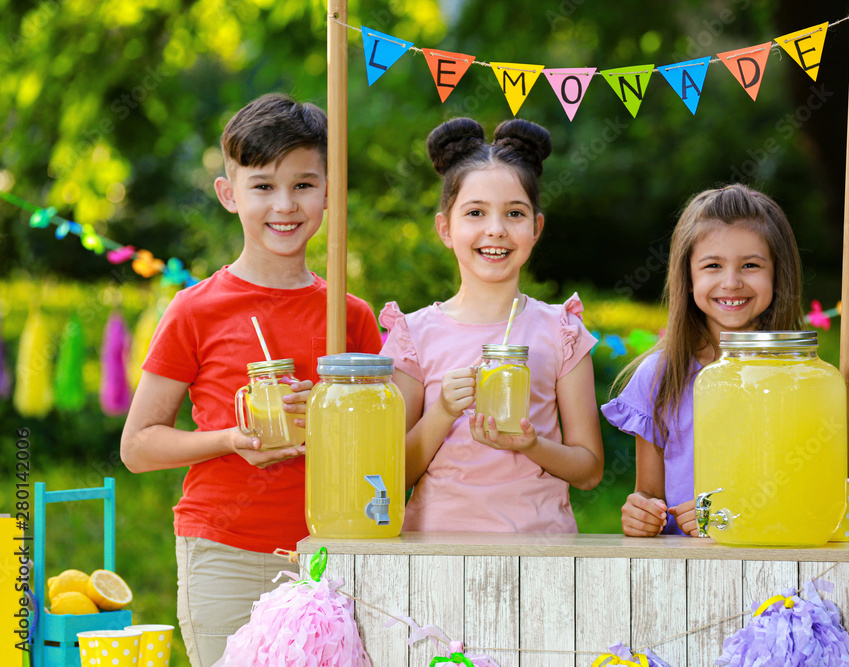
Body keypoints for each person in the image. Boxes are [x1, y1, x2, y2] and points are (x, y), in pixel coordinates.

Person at [120, 93, 382, 667]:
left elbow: (389, 445)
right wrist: (230, 440)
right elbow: (138, 446)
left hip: (336, 553)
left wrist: (337, 411)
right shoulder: (196, 310)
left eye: (304, 185)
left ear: (330, 192)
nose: (284, 204)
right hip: (226, 550)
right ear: (228, 194)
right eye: (262, 186)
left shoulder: (352, 316)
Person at [379, 117, 604, 533]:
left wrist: (532, 444)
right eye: (475, 213)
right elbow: (389, 477)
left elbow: (589, 471)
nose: (496, 230)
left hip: (539, 554)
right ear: (446, 228)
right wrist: (443, 411)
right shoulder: (412, 336)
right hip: (436, 556)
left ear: (535, 228)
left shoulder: (561, 331)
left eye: (514, 213)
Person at [602, 184, 805, 537]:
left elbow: (814, 497)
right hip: (684, 577)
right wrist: (641, 512)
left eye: (751, 265)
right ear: (688, 276)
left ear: (778, 271)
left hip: (777, 571)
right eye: (712, 265)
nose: (731, 282)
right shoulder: (660, 377)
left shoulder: (801, 380)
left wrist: (737, 516)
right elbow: (650, 493)